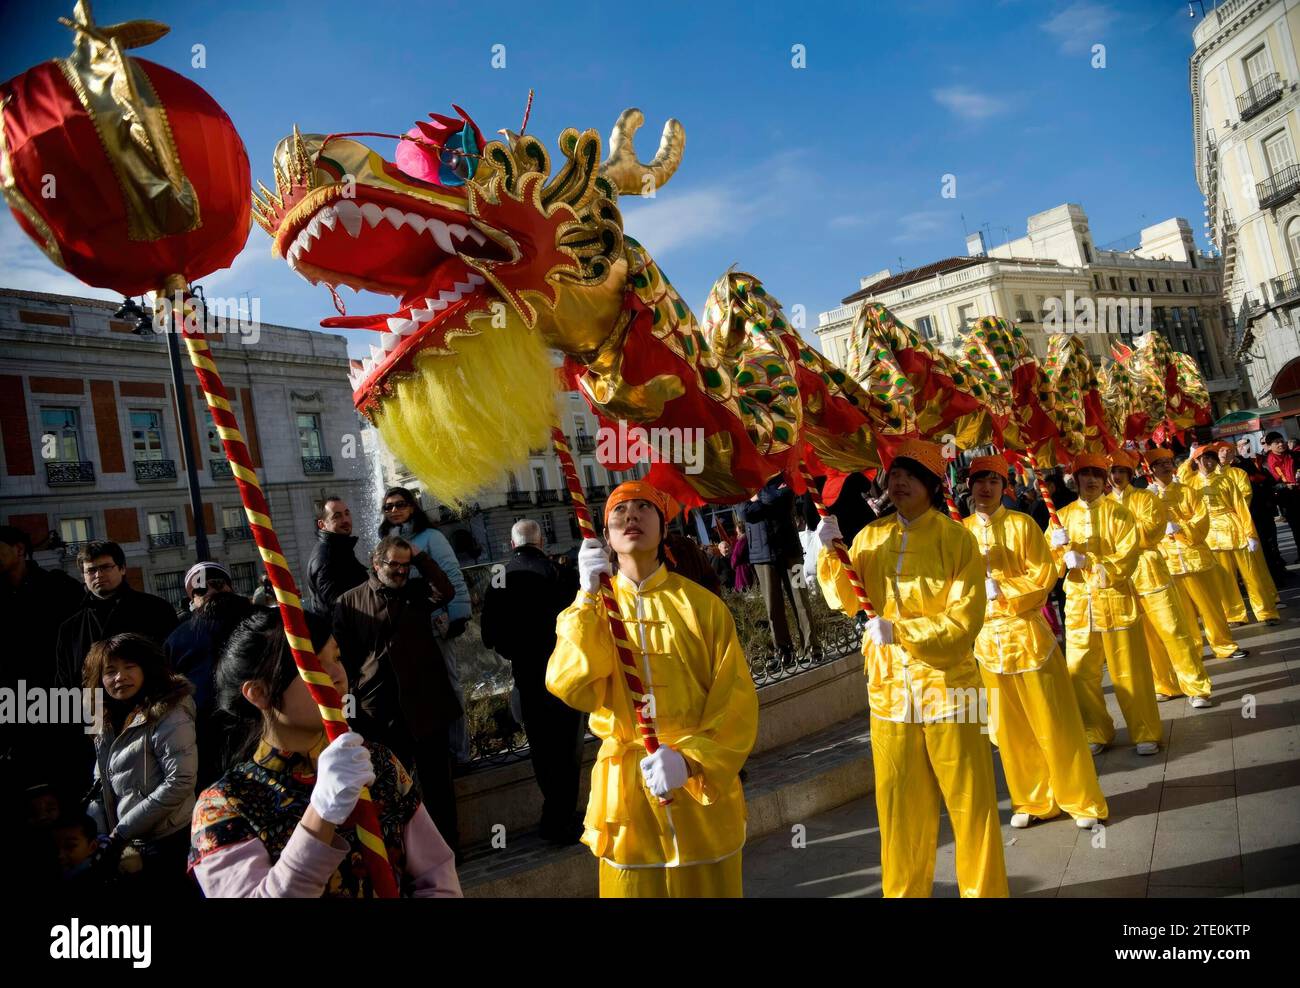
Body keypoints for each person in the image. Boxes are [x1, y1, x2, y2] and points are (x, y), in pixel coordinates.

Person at [817, 439, 1008, 898]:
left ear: (930, 483)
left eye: (909, 473)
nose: (897, 481)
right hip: (889, 694)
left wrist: (903, 632)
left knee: (970, 802)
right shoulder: (870, 537)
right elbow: (847, 599)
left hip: (953, 690)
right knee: (899, 808)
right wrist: (830, 553)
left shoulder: (956, 538)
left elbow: (965, 623)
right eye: (893, 473)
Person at [547, 481, 758, 897]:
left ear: (664, 529)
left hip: (699, 799)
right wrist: (586, 598)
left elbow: (735, 700)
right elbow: (571, 686)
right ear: (604, 536)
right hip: (627, 807)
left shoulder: (702, 607)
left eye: (644, 507)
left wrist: (691, 759)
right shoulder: (590, 611)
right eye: (619, 511)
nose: (631, 515)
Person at [189, 609, 461, 897]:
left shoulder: (375, 762)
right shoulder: (222, 806)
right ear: (259, 692)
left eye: (337, 658)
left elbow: (437, 874)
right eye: (312, 665)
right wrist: (321, 812)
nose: (337, 676)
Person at [963, 455, 1107, 830]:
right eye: (979, 480)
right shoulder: (958, 532)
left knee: (1055, 722)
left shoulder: (1022, 524)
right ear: (968, 486)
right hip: (987, 646)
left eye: (993, 480)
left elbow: (1043, 577)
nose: (986, 487)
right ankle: (1031, 799)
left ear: (1004, 486)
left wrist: (1002, 589)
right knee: (1011, 731)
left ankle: (1080, 799)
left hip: (1027, 637)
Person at [332, 535, 462, 856]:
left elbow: (446, 591)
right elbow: (344, 660)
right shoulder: (348, 603)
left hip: (427, 704)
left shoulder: (417, 591)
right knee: (392, 791)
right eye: (395, 564)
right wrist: (350, 710)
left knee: (438, 787)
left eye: (406, 566)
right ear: (376, 564)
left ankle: (447, 850)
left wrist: (420, 559)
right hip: (380, 711)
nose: (402, 572)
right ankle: (403, 856)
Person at [480, 519, 584, 844]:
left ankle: (555, 816)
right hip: (565, 672)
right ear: (541, 542)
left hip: (527, 675)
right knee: (569, 749)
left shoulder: (500, 577)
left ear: (512, 545)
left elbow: (488, 634)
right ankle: (561, 818)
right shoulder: (559, 572)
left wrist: (514, 650)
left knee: (542, 750)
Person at [1052, 453, 1163, 756]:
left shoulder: (1120, 514)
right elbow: (1047, 569)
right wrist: (1054, 549)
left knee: (1130, 670)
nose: (1090, 480)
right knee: (1079, 672)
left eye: (1096, 475)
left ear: (1104, 480)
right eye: (1084, 474)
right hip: (1078, 606)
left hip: (1115, 601)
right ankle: (1096, 729)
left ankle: (1145, 730)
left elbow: (1127, 558)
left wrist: (1089, 562)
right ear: (1074, 480)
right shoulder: (1059, 517)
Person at [85, 633, 197, 893]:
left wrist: (122, 832)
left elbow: (180, 780)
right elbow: (100, 779)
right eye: (110, 671)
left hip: (168, 839)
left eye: (129, 667)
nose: (119, 677)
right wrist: (100, 834)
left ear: (147, 668)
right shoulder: (103, 715)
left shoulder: (170, 710)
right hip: (124, 842)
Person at [1108, 451, 1214, 709]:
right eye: (1112, 472)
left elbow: (1150, 532)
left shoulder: (1145, 497)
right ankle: (1164, 684)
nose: (1117, 477)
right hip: (1122, 577)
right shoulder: (1104, 506)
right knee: (1147, 637)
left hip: (1150, 569)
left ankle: (1196, 686)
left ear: (1130, 474)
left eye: (1122, 471)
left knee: (1174, 629)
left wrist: (1115, 539)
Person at [378, 487, 472, 762]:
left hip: (436, 622)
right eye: (389, 507)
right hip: (404, 628)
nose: (394, 510)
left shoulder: (432, 537)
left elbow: (452, 575)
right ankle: (431, 752)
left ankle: (459, 751)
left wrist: (457, 615)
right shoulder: (385, 540)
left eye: (400, 504)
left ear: (413, 507)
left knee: (449, 685)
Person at [0, 525, 82, 795]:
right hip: (15, 710)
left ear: (19, 550)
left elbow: (86, 646)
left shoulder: (58, 588)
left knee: (73, 784)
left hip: (64, 705)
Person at [1148, 450, 1248, 664]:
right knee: (1182, 614)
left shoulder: (1188, 491)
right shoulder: (1148, 498)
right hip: (1168, 562)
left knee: (1211, 606)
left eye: (1168, 462)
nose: (1166, 466)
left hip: (1195, 557)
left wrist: (1181, 528)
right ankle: (1194, 651)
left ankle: (1223, 645)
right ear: (1151, 470)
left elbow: (1202, 520)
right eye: (1160, 464)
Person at [165, 563, 256, 793]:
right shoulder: (177, 639)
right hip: (206, 739)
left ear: (230, 587)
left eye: (217, 584)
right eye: (201, 590)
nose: (211, 592)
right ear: (192, 600)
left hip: (258, 730)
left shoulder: (259, 622)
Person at [1192, 443, 1279, 626]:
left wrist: (1250, 533)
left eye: (1211, 458)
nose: (1209, 462)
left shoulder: (1228, 479)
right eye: (1205, 458)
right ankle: (1234, 615)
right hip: (1209, 534)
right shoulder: (1190, 484)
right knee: (1224, 578)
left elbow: (1241, 505)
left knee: (1252, 573)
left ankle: (1266, 611)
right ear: (1197, 460)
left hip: (1234, 528)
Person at [744, 475, 822, 663]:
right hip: (762, 556)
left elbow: (782, 497)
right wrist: (763, 500)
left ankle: (811, 646)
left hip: (791, 551)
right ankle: (784, 651)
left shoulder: (782, 475)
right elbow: (746, 514)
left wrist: (757, 497)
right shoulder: (744, 484)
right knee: (773, 605)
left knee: (801, 598)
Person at [304, 497, 367, 619]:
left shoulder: (340, 549)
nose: (345, 520)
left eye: (347, 513)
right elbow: (339, 605)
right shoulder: (326, 557)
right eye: (337, 516)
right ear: (322, 525)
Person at [1263, 431, 1300, 564]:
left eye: (1281, 441)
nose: (1281, 444)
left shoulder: (1295, 456)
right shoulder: (1265, 463)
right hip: (1286, 499)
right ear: (1269, 446)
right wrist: (1284, 486)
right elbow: (1268, 485)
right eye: (1276, 442)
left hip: (1298, 491)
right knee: (1296, 527)